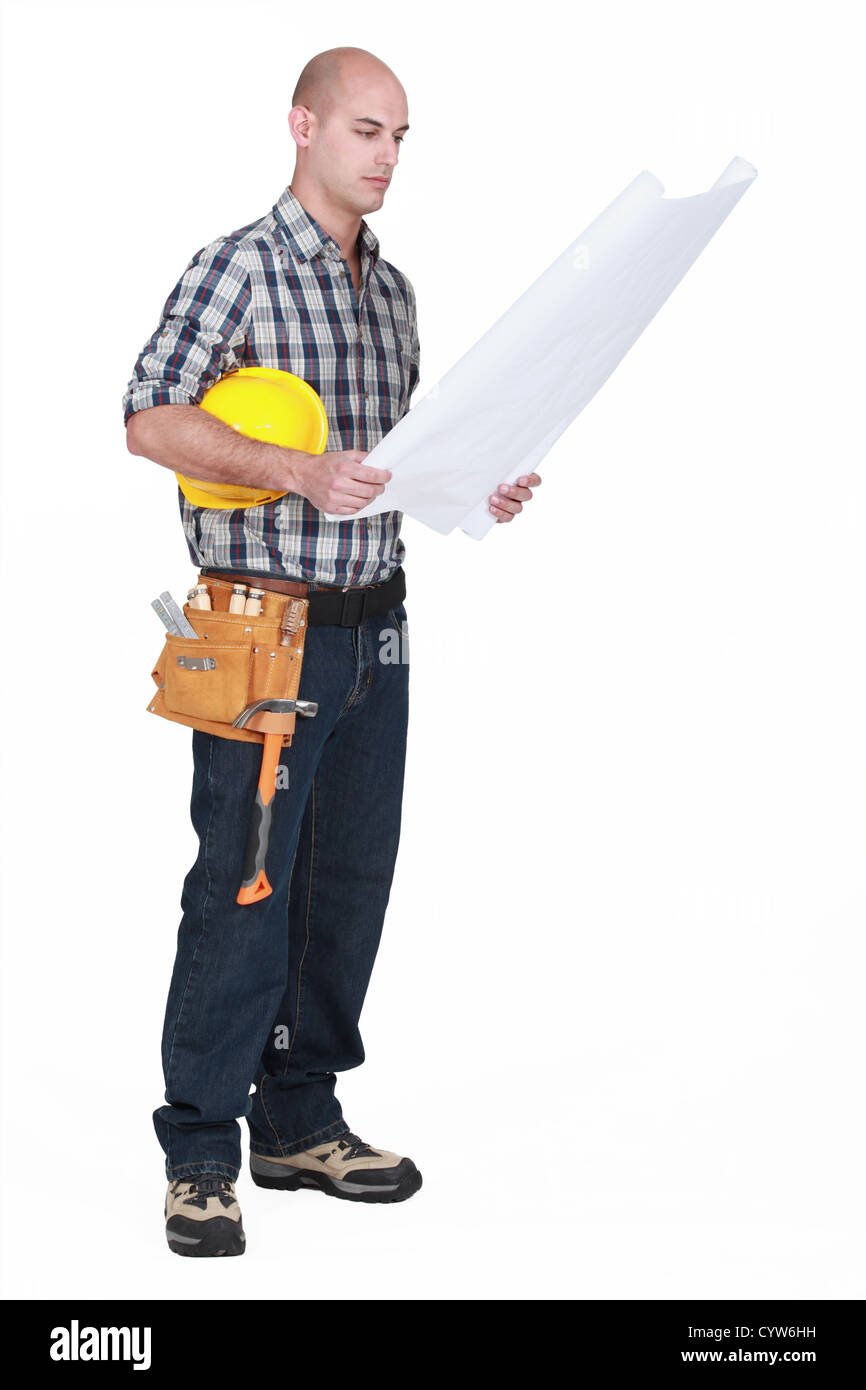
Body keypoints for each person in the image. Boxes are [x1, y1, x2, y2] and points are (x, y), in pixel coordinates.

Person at [122, 45, 541, 1258]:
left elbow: (398, 462)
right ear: (301, 126)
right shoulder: (237, 269)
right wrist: (297, 470)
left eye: (401, 136)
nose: (387, 155)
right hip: (261, 630)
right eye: (366, 130)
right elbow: (149, 413)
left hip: (375, 628)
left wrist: (480, 485)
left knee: (344, 889)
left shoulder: (390, 291)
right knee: (243, 891)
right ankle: (201, 1151)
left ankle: (298, 1121)